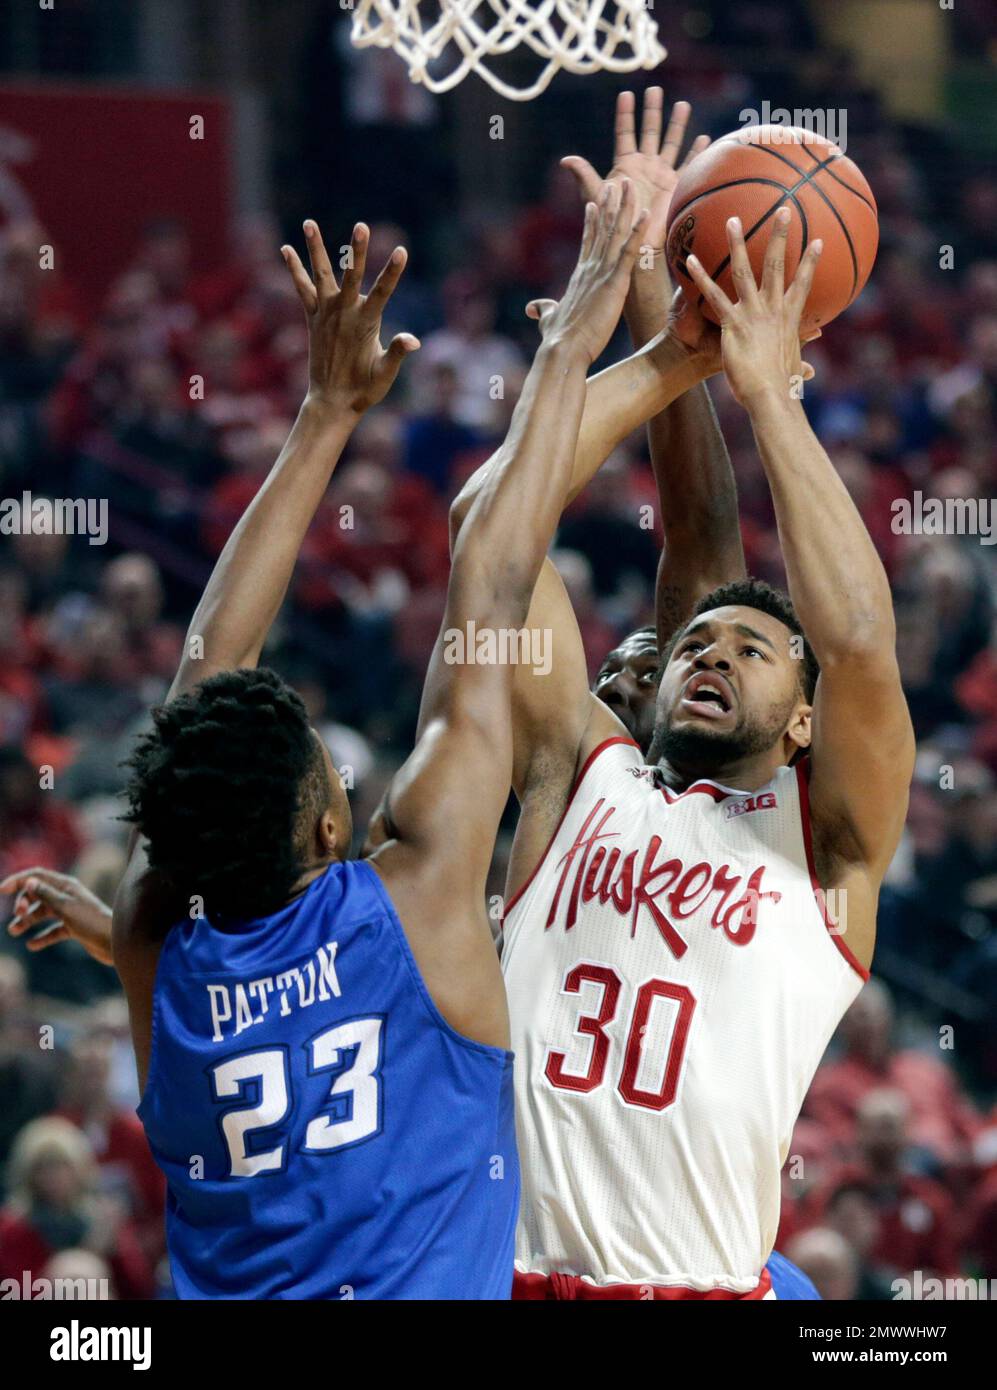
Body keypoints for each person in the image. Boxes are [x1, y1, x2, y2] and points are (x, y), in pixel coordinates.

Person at [7, 190, 672, 1300]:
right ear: (327, 825)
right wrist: (570, 345)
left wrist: (324, 415)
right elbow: (491, 568)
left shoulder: (154, 937)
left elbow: (209, 672)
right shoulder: (406, 898)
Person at [454, 89, 915, 1297]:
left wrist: (766, 394)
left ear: (804, 721)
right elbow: (488, 535)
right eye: (695, 644)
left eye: (753, 652)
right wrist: (667, 348)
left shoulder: (828, 852)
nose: (712, 654)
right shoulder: (579, 775)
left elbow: (859, 643)